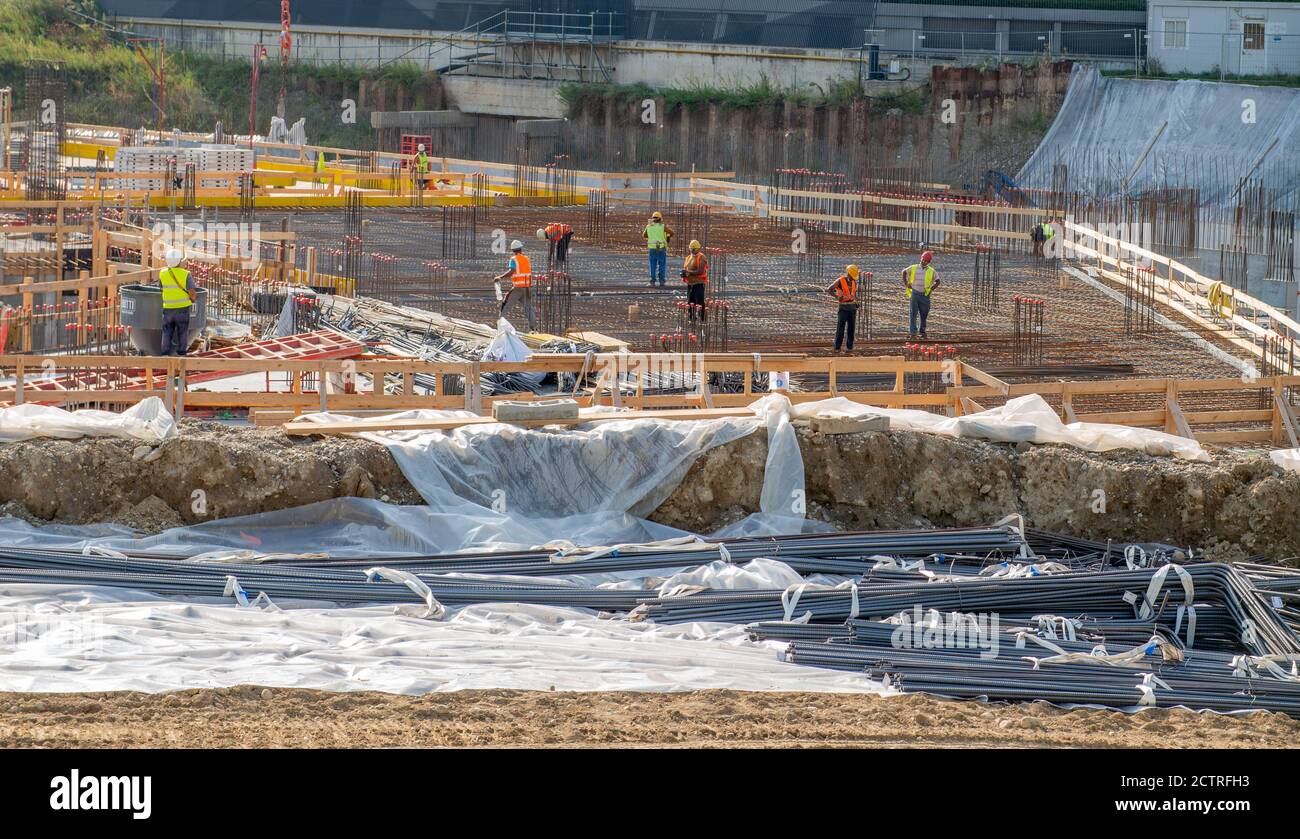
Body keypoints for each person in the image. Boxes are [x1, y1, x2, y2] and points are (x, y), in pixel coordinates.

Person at [157, 248, 196, 356]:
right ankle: (181, 354)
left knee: (166, 332)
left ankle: (165, 355)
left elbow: (161, 288)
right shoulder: (185, 274)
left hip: (168, 309)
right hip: (182, 309)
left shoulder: (163, 273)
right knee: (183, 332)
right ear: (179, 261)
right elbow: (192, 291)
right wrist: (192, 300)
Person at [494, 240, 534, 330]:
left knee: (505, 304)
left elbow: (511, 271)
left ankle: (500, 324)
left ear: (513, 250)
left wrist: (500, 277)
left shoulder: (514, 259)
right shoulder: (526, 258)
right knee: (529, 308)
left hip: (518, 288)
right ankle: (534, 328)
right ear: (521, 249)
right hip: (528, 287)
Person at [826, 264, 867, 353]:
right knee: (840, 328)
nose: (853, 278)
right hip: (843, 308)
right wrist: (837, 297)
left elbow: (852, 294)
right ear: (848, 273)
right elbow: (829, 289)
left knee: (851, 329)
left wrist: (856, 300)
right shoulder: (840, 281)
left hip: (852, 308)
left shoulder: (853, 282)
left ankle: (850, 347)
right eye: (852, 276)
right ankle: (837, 347)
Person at [902, 250, 939, 338]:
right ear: (921, 258)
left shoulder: (931, 271)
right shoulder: (914, 267)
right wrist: (906, 283)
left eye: (926, 261)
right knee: (913, 313)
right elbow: (904, 272)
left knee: (924, 314)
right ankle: (913, 332)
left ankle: (922, 331)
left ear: (929, 262)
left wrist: (931, 290)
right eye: (923, 259)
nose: (924, 262)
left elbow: (938, 281)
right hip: (914, 293)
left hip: (925, 296)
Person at [642, 210, 673, 287]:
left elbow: (644, 235)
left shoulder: (648, 226)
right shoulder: (662, 226)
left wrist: (651, 233)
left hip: (652, 248)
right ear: (660, 219)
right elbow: (672, 233)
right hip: (661, 248)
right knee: (662, 264)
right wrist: (668, 236)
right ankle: (661, 281)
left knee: (652, 265)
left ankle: (652, 281)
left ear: (652, 218)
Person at [681, 240, 709, 322]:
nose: (693, 250)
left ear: (698, 249)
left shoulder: (701, 257)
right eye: (691, 249)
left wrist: (689, 273)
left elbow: (700, 271)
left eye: (694, 249)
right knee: (690, 302)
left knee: (699, 301)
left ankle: (702, 318)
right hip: (690, 284)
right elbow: (686, 269)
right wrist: (684, 273)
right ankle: (692, 318)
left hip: (699, 283)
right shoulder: (688, 257)